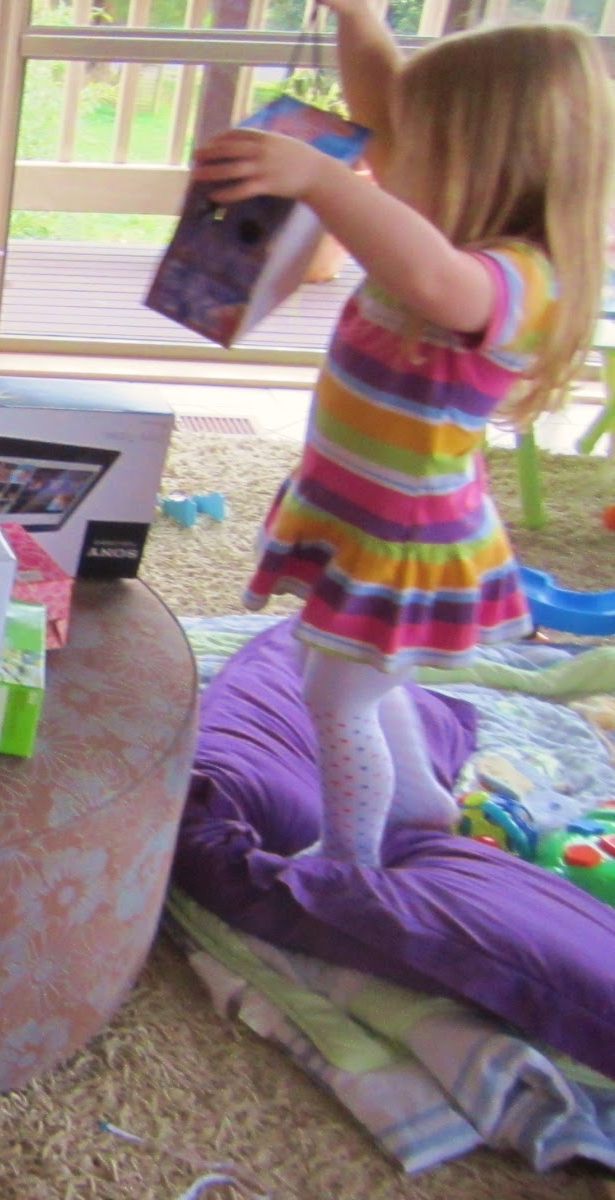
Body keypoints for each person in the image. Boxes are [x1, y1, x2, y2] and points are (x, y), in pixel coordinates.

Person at [189, 10, 614, 865]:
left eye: (413, 142)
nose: (384, 152)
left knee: (337, 697)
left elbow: (430, 278)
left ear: (482, 160)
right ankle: (420, 804)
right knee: (360, 673)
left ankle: (348, 863)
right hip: (360, 510)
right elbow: (381, 99)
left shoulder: (518, 278)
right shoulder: (447, 222)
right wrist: (356, 15)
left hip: (406, 539)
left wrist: (321, 179)